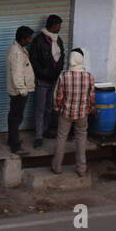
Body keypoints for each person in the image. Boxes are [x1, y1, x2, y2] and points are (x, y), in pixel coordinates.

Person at [51, 48, 95, 176]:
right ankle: (81, 169)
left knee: (61, 138)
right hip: (82, 114)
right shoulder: (89, 76)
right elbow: (92, 98)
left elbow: (58, 97)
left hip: (66, 113)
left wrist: (58, 108)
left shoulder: (64, 76)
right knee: (81, 139)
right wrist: (89, 109)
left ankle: (57, 167)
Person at [28, 14, 66, 148]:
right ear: (52, 26)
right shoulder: (39, 40)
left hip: (53, 79)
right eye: (58, 25)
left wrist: (58, 71)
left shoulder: (58, 40)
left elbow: (61, 56)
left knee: (49, 106)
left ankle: (45, 129)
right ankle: (38, 136)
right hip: (42, 80)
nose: (60, 28)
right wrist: (43, 73)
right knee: (40, 107)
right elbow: (33, 60)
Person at [6, 26, 35, 154]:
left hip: (18, 90)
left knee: (14, 116)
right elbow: (17, 74)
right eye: (29, 38)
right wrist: (22, 90)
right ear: (23, 39)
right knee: (16, 117)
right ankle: (15, 146)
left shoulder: (19, 49)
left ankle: (12, 140)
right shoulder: (17, 53)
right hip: (19, 91)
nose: (30, 40)